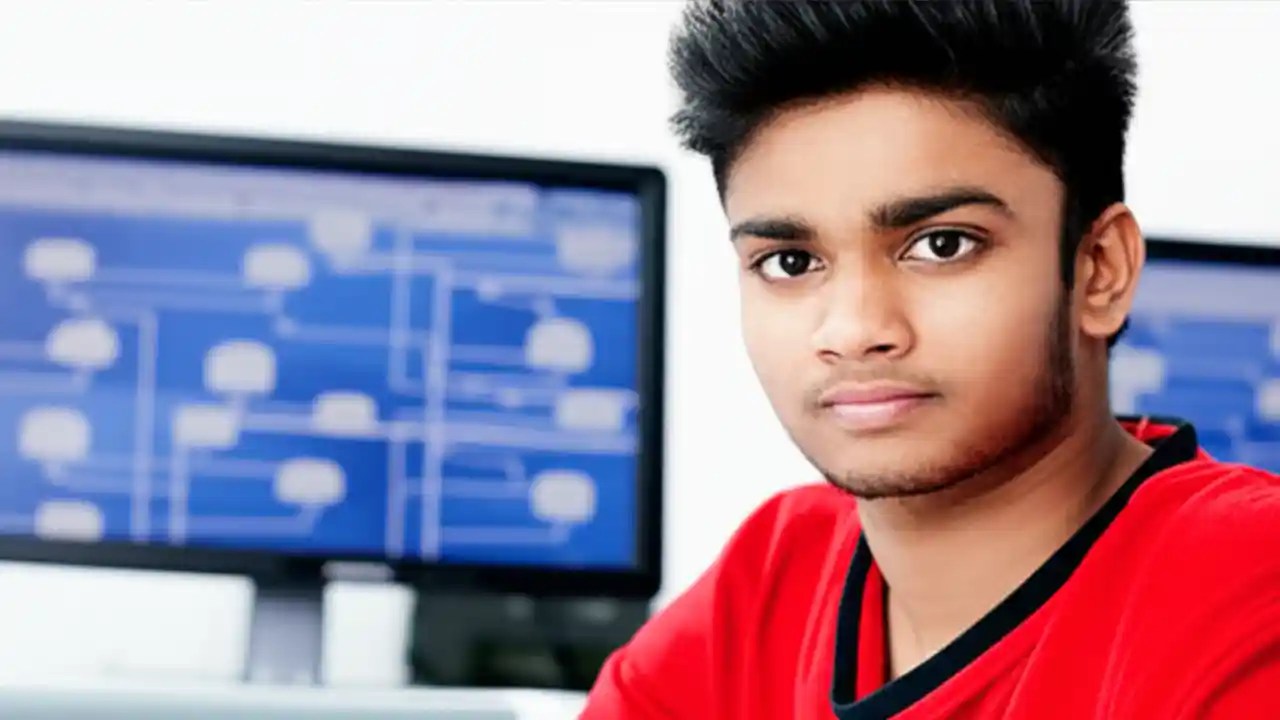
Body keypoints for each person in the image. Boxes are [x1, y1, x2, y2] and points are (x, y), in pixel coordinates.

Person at [581, 1, 1280, 718]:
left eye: (942, 245)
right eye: (790, 261)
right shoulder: (773, 575)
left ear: (1100, 268)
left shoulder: (1251, 596)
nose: (854, 329)